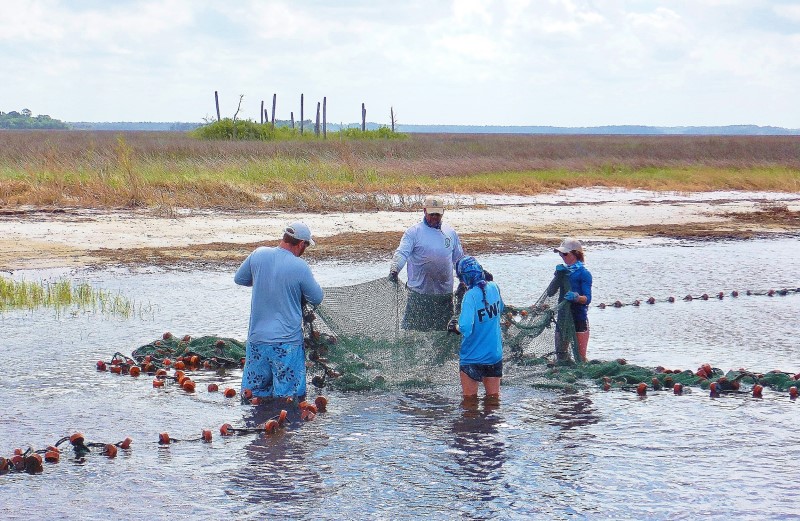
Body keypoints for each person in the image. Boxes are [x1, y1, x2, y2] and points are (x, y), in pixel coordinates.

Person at [234, 222, 324, 399]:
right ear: (301, 244)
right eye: (306, 246)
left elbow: (240, 279)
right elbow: (317, 298)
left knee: (253, 396)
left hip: (257, 341)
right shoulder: (299, 266)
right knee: (289, 399)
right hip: (286, 344)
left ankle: (253, 418)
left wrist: (263, 281)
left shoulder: (258, 254)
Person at [389, 195, 464, 330]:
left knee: (444, 331)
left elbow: (458, 260)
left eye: (438, 214)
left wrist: (464, 280)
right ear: (424, 211)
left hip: (444, 295)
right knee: (412, 332)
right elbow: (401, 253)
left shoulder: (450, 233)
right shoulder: (413, 232)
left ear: (443, 213)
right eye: (431, 214)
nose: (435, 217)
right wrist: (394, 269)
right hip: (418, 294)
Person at [447, 256, 504, 404]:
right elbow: (501, 308)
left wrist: (455, 327)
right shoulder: (494, 287)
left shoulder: (470, 296)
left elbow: (465, 328)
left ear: (464, 278)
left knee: (469, 403)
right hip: (494, 355)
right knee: (493, 400)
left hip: (472, 357)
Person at [550, 238, 592, 362]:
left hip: (579, 318)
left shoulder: (584, 273)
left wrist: (577, 297)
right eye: (560, 254)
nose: (562, 256)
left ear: (575, 254)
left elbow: (588, 298)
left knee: (581, 358)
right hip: (563, 318)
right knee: (561, 356)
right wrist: (557, 277)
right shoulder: (563, 272)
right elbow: (550, 292)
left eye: (565, 254)